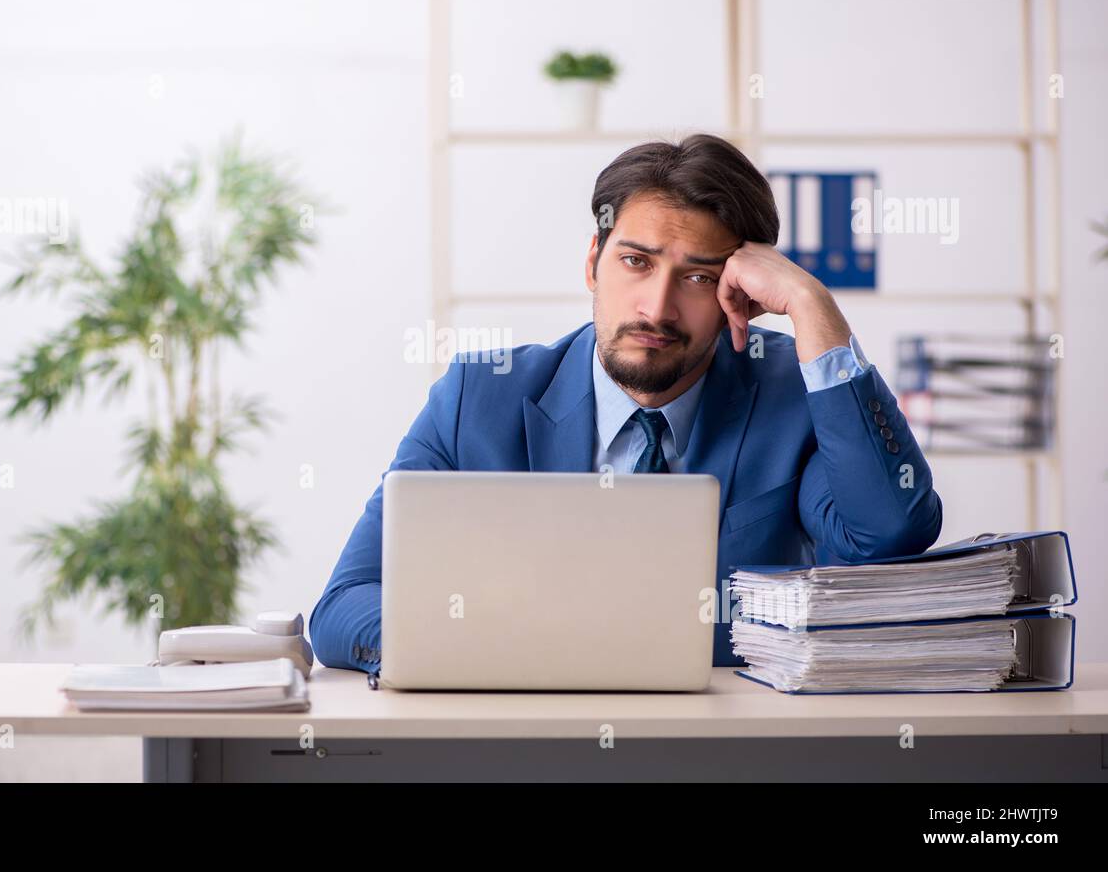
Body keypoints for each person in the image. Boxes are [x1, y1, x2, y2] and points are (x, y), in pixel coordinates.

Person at [311, 133, 944, 672]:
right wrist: (518, 651)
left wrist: (813, 306)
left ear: (742, 292)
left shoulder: (795, 394)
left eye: (698, 277)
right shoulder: (477, 398)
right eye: (636, 262)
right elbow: (346, 605)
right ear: (594, 262)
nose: (656, 307)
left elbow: (887, 535)